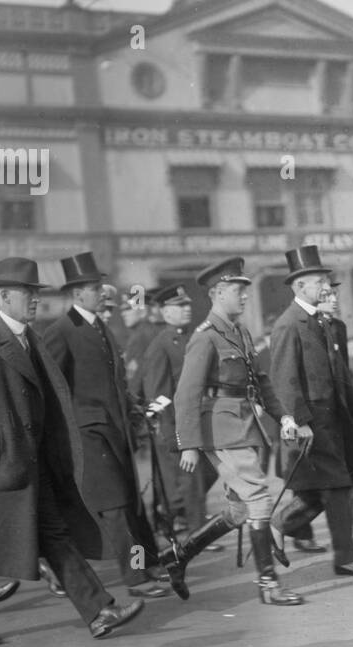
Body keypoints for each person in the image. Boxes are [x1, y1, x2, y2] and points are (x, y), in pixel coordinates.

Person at [0, 257, 145, 644]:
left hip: (32, 465)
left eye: (37, 293)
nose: (35, 300)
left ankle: (99, 611)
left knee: (55, 536)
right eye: (28, 293)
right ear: (3, 296)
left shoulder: (30, 339)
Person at [158, 256, 303, 604]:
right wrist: (189, 444)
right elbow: (186, 394)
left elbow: (261, 381)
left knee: (241, 509)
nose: (244, 297)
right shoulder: (205, 338)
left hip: (241, 424)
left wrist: (283, 415)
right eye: (238, 291)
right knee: (259, 500)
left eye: (244, 291)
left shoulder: (239, 331)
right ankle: (268, 585)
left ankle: (178, 556)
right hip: (219, 428)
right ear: (218, 293)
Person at [42, 252, 169, 600]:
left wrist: (133, 407)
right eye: (94, 287)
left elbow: (115, 382)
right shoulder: (62, 331)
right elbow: (48, 386)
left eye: (100, 285)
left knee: (129, 502)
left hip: (115, 431)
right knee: (113, 506)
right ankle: (135, 578)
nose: (102, 292)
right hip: (88, 434)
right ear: (76, 293)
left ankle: (149, 563)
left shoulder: (101, 328)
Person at [268, 247, 353, 576]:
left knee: (327, 490)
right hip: (313, 424)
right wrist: (300, 422)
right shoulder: (289, 325)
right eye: (318, 282)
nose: (326, 287)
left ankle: (277, 526)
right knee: (336, 489)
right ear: (298, 287)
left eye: (326, 281)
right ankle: (345, 559)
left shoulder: (323, 323)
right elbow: (284, 381)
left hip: (335, 421)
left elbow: (341, 376)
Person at [139, 285, 218, 535]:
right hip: (173, 424)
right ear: (164, 312)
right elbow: (157, 394)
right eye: (179, 306)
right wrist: (169, 429)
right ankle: (196, 530)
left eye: (187, 305)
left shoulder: (187, 338)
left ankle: (174, 514)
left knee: (201, 476)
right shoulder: (160, 345)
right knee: (191, 480)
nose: (186, 309)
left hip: (190, 421)